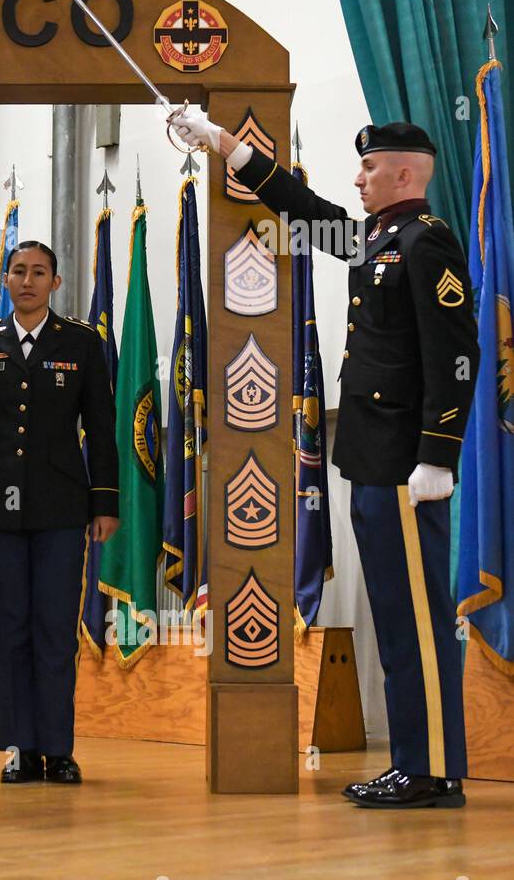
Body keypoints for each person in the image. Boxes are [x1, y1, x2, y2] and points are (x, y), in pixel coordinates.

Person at [172, 109, 478, 809]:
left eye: (369, 168)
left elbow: (456, 355)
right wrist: (225, 146)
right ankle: (417, 764)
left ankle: (430, 769)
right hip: (372, 461)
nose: (358, 178)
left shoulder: (427, 245)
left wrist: (438, 453)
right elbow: (303, 210)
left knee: (417, 622)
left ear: (405, 172)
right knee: (396, 619)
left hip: (406, 467)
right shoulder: (377, 238)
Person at [0, 240, 119, 785]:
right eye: (18, 271)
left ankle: (58, 748)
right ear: (4, 280)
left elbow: (102, 428)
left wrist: (105, 502)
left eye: (39, 272)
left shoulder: (82, 343)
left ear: (55, 283)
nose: (27, 281)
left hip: (62, 507)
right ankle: (21, 747)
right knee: (10, 627)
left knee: (54, 629)